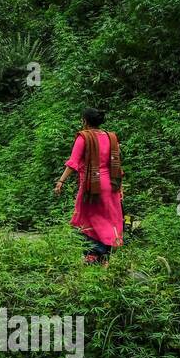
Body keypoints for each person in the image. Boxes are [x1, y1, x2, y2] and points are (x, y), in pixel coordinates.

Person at [53, 108, 124, 264]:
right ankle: (105, 255)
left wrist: (61, 181)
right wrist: (120, 187)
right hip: (112, 186)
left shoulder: (83, 138)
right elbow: (117, 163)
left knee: (87, 219)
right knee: (108, 220)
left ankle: (93, 254)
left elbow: (73, 163)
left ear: (85, 121)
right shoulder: (111, 137)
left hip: (92, 187)